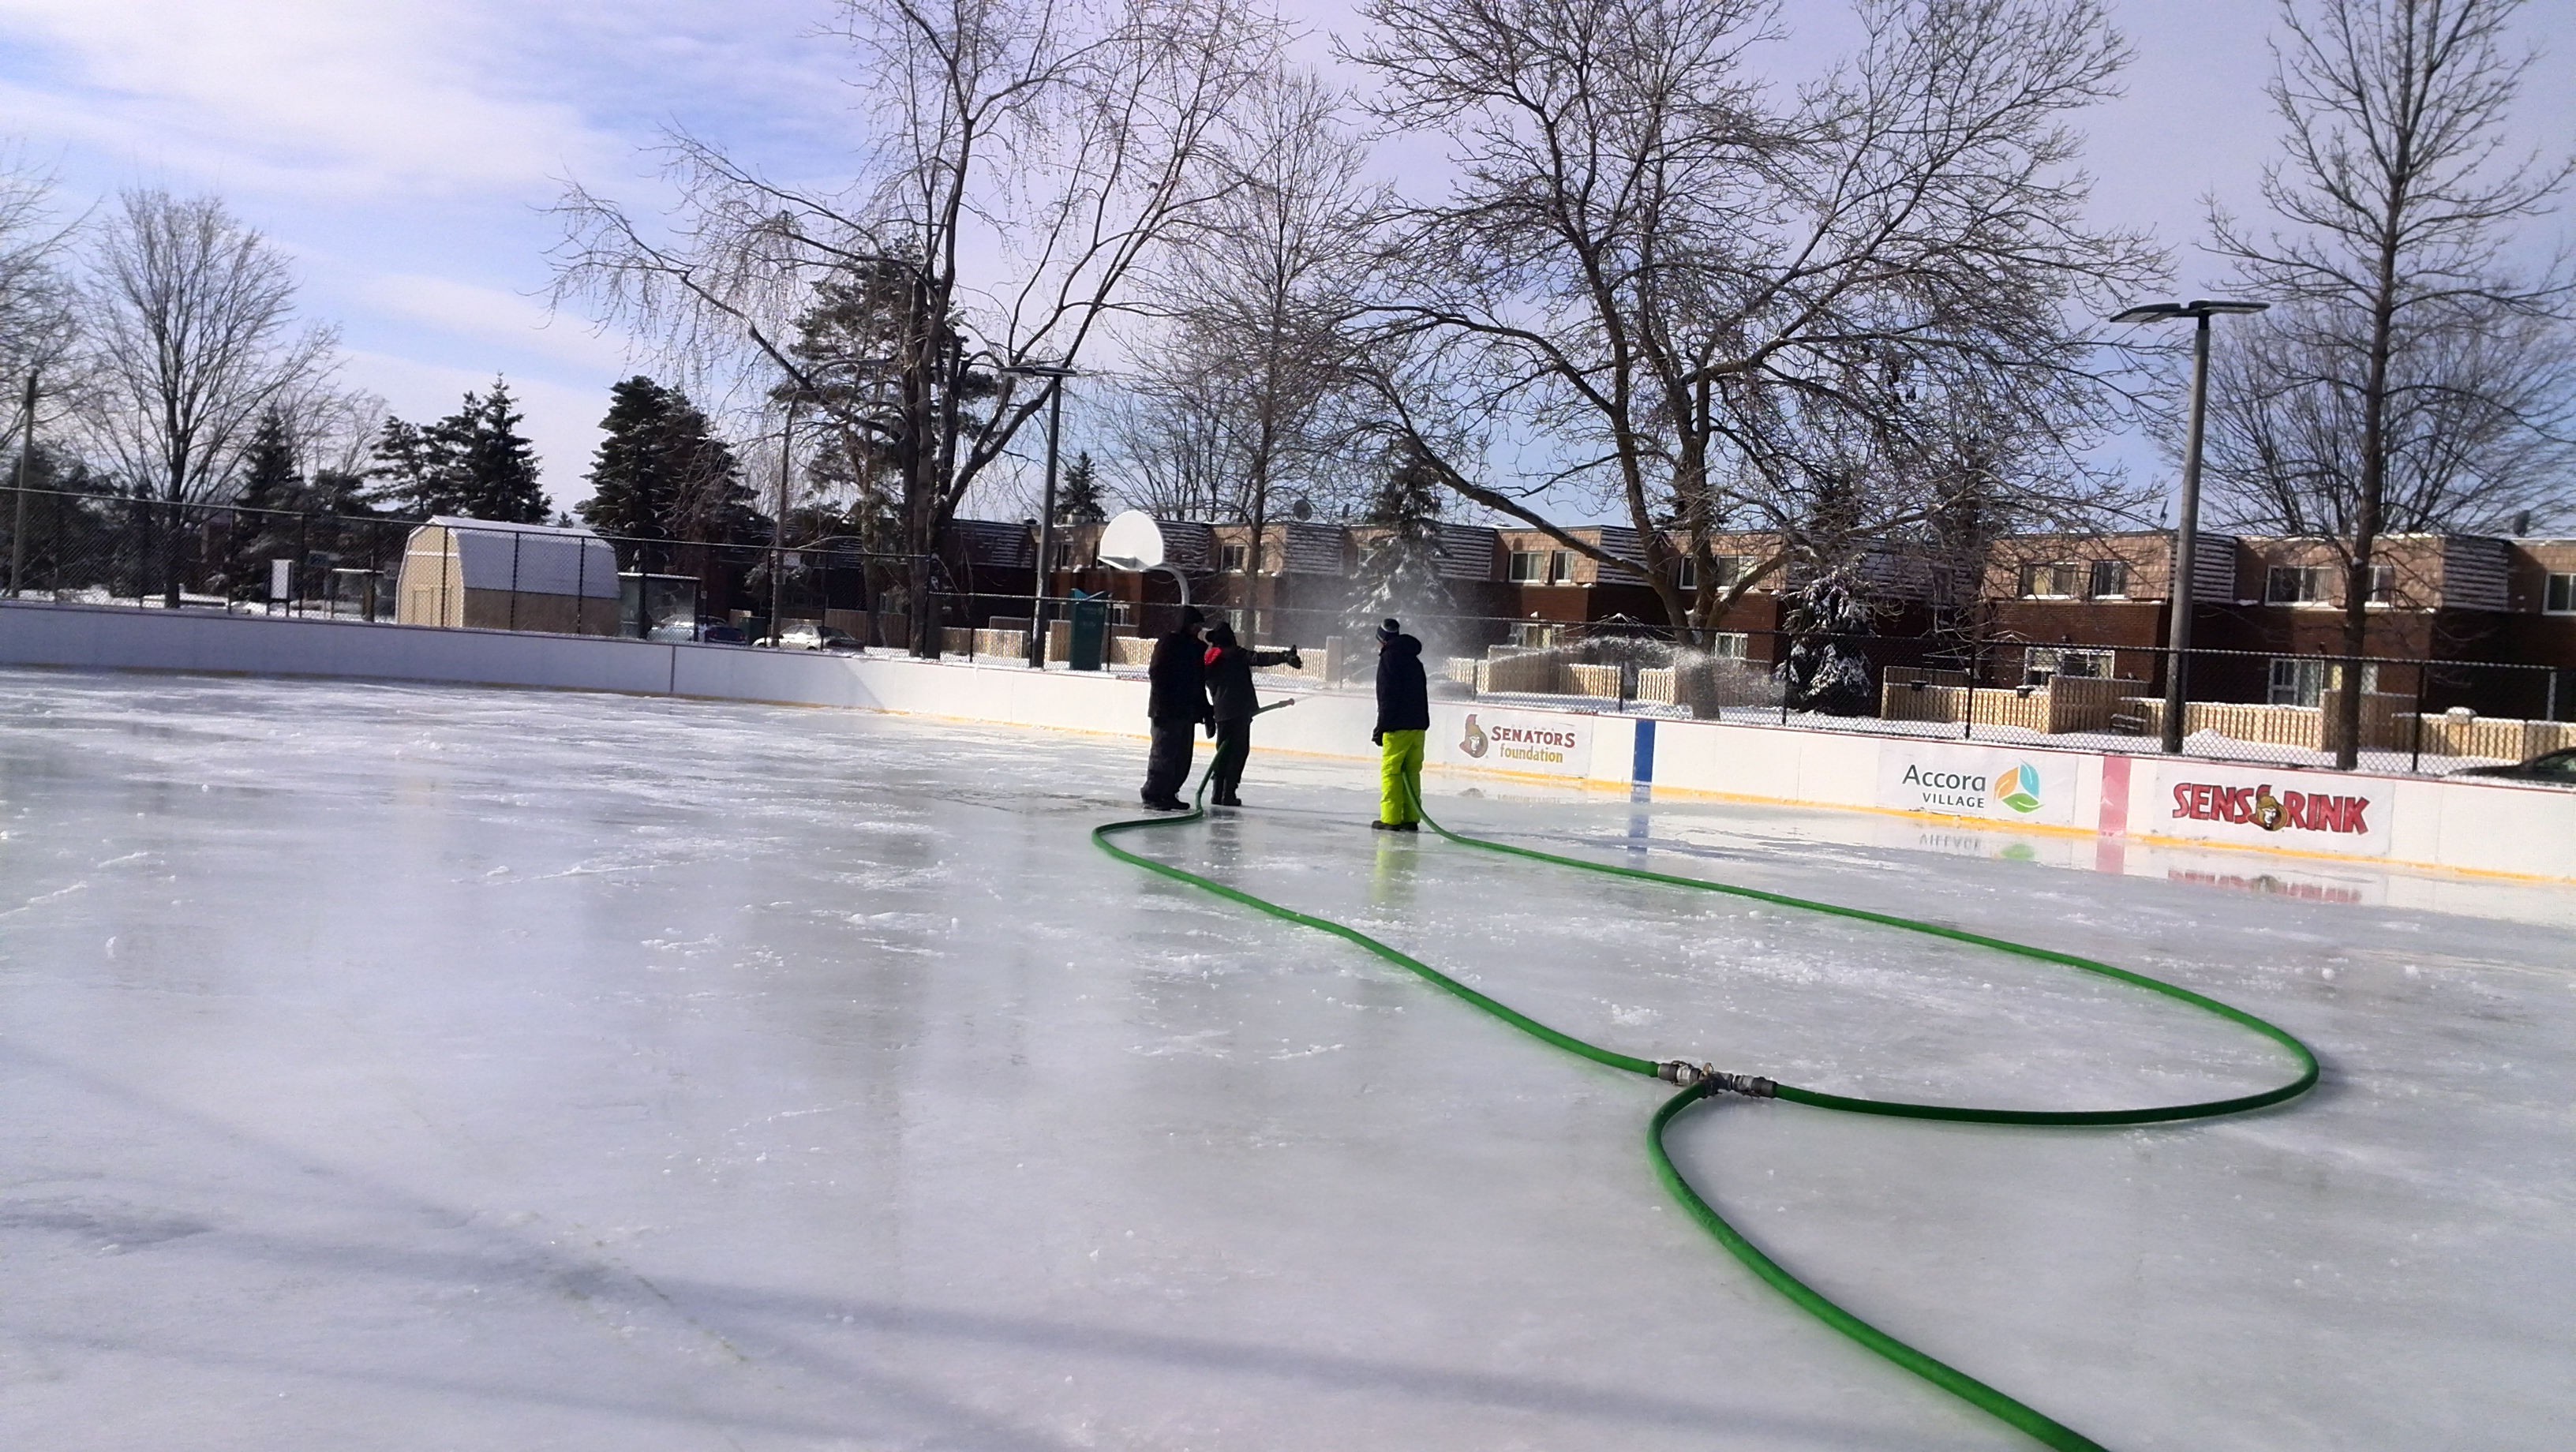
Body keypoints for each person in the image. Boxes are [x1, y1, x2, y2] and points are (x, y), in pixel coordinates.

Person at [1200, 620, 1302, 807]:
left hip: (1221, 711)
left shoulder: (1210, 657)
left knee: (1222, 753)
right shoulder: (1234, 653)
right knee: (1238, 753)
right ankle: (1228, 794)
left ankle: (1217, 793)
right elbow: (1258, 658)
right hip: (1239, 710)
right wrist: (1284, 657)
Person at [1140, 606, 1212, 810]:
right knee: (1163, 755)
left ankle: (1170, 793)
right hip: (1167, 711)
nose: (1197, 629)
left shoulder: (1195, 648)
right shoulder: (1169, 643)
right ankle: (1153, 794)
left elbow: (1198, 682)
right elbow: (1157, 673)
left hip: (1186, 713)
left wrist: (1205, 710)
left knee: (1181, 758)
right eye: (1193, 625)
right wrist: (1163, 704)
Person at [1372, 617, 1428, 831]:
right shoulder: (1413, 659)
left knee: (1392, 772)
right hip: (1418, 726)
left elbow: (1387, 697)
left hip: (1397, 726)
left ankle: (1391, 819)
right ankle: (1411, 818)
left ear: (1383, 640)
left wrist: (1381, 727)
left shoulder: (1389, 659)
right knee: (1412, 771)